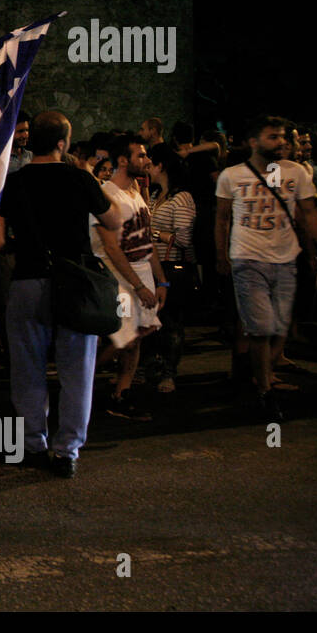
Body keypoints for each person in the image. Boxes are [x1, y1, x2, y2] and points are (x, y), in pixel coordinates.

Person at [0, 112, 122, 477]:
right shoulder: (80, 178)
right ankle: (67, 452)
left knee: (27, 368)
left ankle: (33, 443)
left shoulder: (13, 183)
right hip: (74, 284)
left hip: (28, 281)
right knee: (77, 369)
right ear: (63, 143)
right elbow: (113, 221)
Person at [215, 115, 317, 420]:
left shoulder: (297, 173)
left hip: (286, 259)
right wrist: (221, 254)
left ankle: (258, 374)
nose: (281, 143)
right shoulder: (233, 176)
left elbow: (309, 213)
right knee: (261, 327)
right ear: (254, 142)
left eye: (283, 138)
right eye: (273, 137)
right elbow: (222, 218)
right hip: (248, 259)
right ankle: (264, 390)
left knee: (280, 326)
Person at [92, 136, 166, 421]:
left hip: (142, 274)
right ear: (123, 160)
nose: (146, 160)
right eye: (141, 155)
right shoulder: (107, 195)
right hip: (118, 278)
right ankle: (85, 379)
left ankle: (120, 392)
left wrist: (160, 281)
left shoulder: (136, 192)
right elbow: (110, 247)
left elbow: (146, 241)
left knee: (138, 336)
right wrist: (137, 285)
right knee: (126, 337)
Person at [144, 147, 196, 393]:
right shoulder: (156, 195)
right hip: (153, 266)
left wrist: (153, 235)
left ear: (162, 166)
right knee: (154, 321)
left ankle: (169, 373)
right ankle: (151, 368)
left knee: (172, 322)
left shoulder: (182, 198)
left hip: (173, 267)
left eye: (151, 163)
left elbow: (184, 239)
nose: (148, 167)